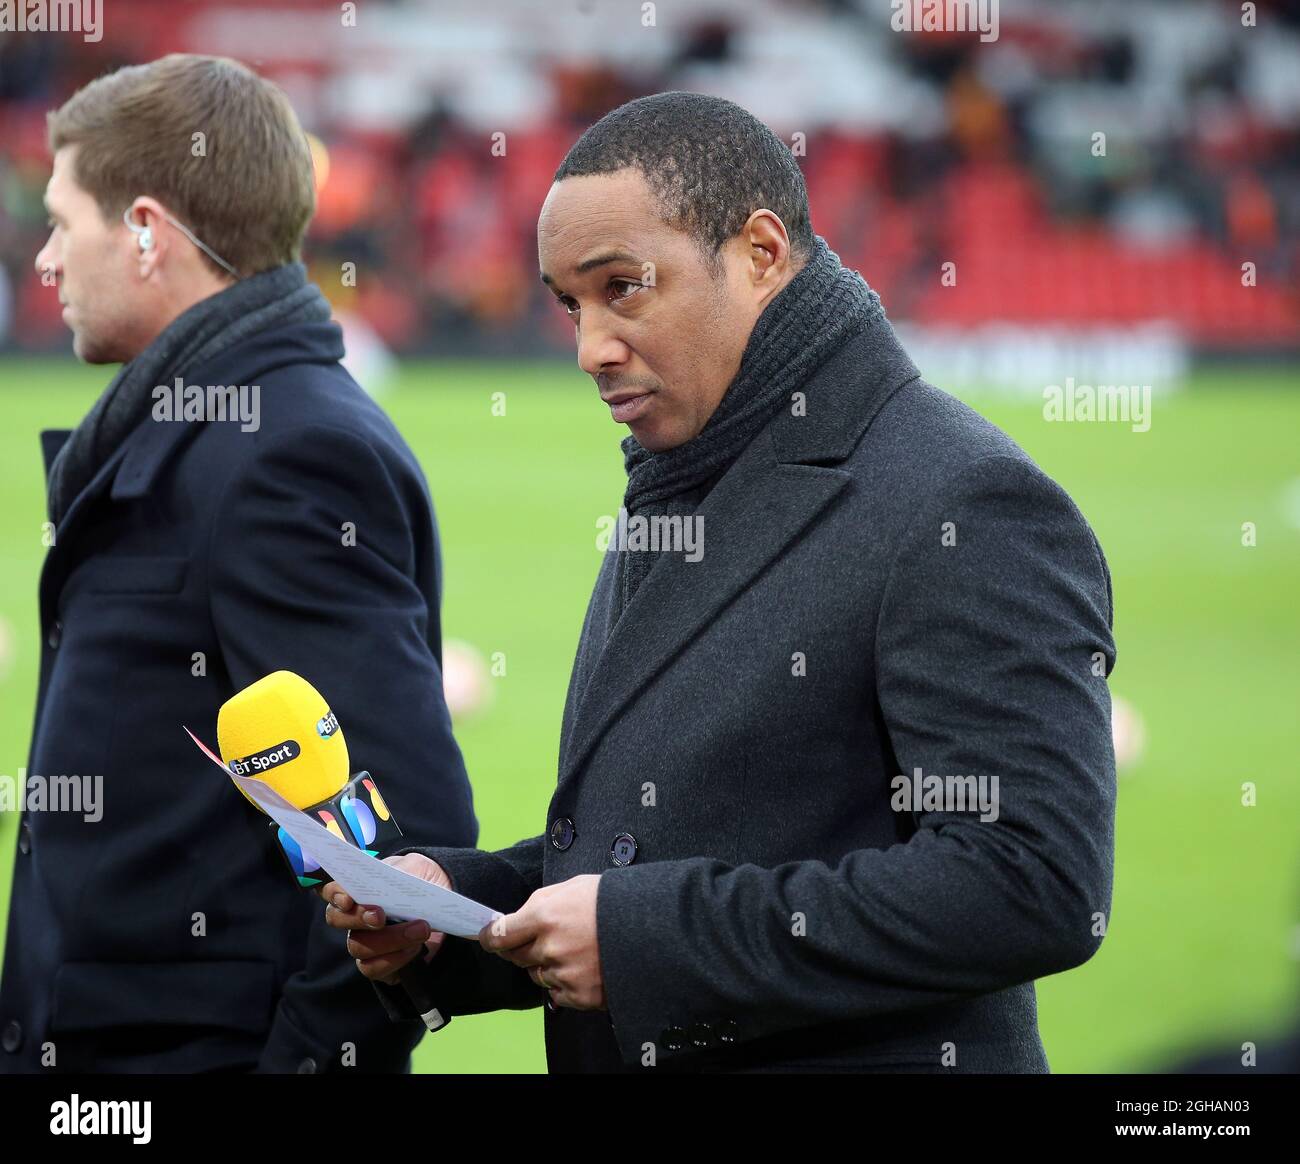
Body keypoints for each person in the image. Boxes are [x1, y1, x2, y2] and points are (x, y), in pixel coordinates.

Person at [322, 91, 1117, 1073]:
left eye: (623, 289)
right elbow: (671, 837)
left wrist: (648, 940)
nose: (589, 349)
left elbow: (1030, 883)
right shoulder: (696, 463)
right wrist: (461, 912)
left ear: (760, 253)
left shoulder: (964, 499)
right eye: (570, 304)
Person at [0, 54, 476, 1073]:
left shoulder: (287, 452)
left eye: (61, 222)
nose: (45, 259)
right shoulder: (208, 429)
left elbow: (400, 849)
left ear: (142, 232)